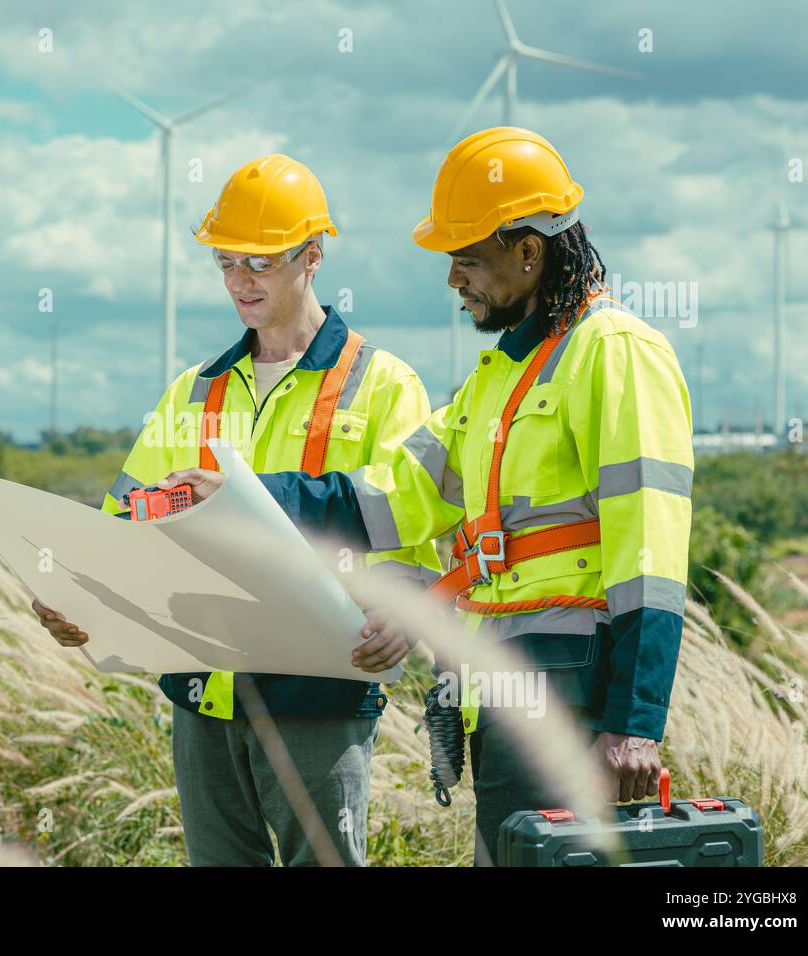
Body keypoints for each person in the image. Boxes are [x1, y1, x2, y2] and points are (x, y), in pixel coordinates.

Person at [181, 128, 695, 866]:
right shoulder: (497, 379)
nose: (455, 281)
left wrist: (636, 722)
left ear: (529, 250)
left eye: (468, 259)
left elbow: (651, 545)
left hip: (571, 681)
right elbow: (386, 497)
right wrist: (242, 494)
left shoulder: (614, 351)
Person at [32, 153, 442, 866]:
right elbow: (123, 517)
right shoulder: (195, 390)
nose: (238, 282)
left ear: (312, 257)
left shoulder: (384, 385)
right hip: (205, 694)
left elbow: (416, 522)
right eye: (225, 262)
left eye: (259, 262)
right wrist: (78, 596)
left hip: (321, 689)